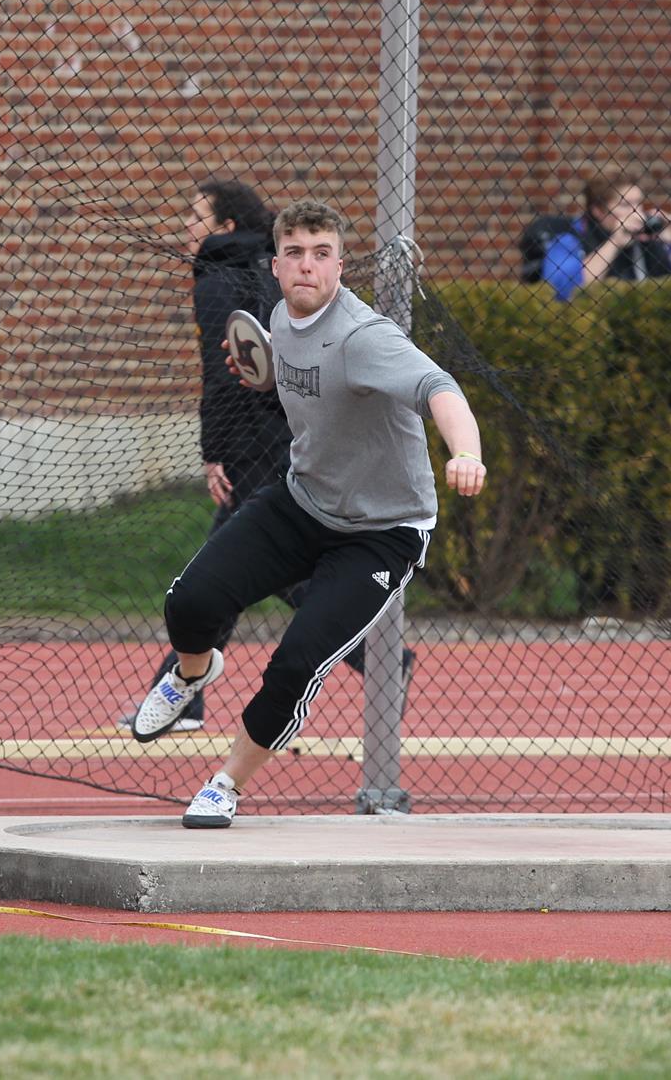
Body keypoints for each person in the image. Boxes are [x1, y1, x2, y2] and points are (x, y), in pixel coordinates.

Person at [129, 199, 486, 828]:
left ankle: (225, 784)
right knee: (189, 602)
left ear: (340, 266)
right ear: (276, 264)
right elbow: (294, 374)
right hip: (304, 501)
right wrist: (258, 372)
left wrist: (467, 453)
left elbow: (440, 389)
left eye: (322, 255)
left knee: (295, 662)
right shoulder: (277, 317)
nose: (307, 267)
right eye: (294, 253)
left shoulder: (365, 337)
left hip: (382, 532)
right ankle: (192, 673)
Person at [119, 180, 410, 731]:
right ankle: (380, 659)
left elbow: (225, 372)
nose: (188, 226)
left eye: (196, 215)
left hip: (255, 437)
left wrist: (215, 452)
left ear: (225, 225)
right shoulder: (272, 270)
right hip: (295, 430)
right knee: (260, 565)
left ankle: (189, 689)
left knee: (221, 568)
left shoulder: (218, 279)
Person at [540, 171, 671, 303]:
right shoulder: (570, 240)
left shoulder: (651, 240)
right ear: (598, 211)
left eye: (639, 203)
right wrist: (615, 242)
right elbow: (563, 291)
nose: (637, 213)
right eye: (625, 205)